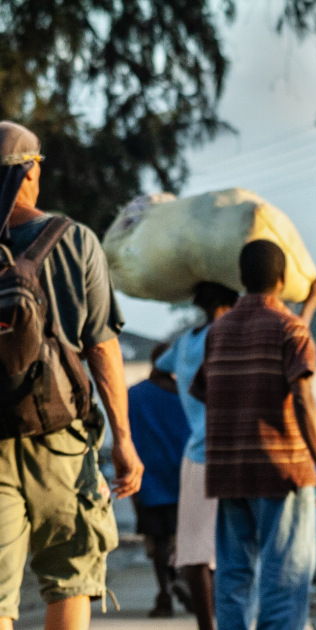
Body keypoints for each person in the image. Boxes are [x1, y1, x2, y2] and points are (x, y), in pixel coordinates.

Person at [0, 121, 145, 630]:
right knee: (73, 578)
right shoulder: (75, 240)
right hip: (60, 436)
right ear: (30, 173)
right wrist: (123, 439)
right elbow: (102, 348)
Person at [191, 239, 316, 630]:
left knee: (234, 573)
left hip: (229, 471)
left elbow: (204, 391)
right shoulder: (290, 329)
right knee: (285, 576)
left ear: (240, 278)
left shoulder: (217, 333)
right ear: (283, 279)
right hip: (282, 471)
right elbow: (303, 397)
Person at [155, 281, 240, 630]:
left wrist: (186, 396)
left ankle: (207, 626)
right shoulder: (233, 333)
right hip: (236, 453)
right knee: (236, 548)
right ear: (229, 300)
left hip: (198, 454)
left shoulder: (186, 341)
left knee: (195, 550)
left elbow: (158, 370)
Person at [127, 342, 192, 618]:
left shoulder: (133, 395)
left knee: (158, 540)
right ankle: (183, 579)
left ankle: (164, 592)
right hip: (184, 478)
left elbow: (125, 436)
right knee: (187, 539)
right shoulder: (189, 395)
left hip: (147, 478)